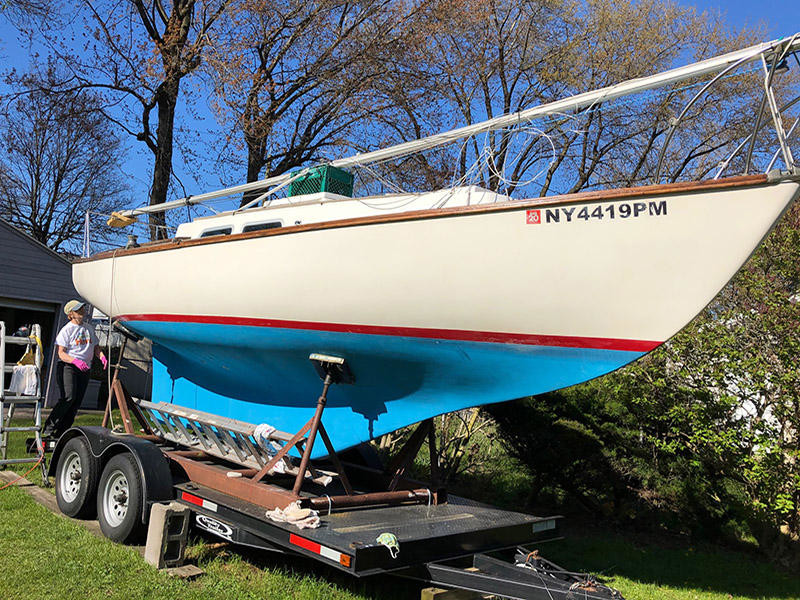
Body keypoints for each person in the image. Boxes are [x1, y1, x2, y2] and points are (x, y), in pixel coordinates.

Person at [42, 300, 108, 438]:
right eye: (78, 310)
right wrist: (75, 361)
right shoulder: (67, 330)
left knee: (76, 401)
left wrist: (101, 356)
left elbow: (95, 346)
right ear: (71, 314)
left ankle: (62, 432)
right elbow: (61, 353)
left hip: (85, 368)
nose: (82, 312)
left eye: (82, 309)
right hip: (68, 367)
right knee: (68, 397)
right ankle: (49, 427)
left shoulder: (89, 328)